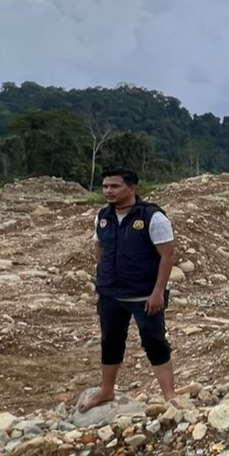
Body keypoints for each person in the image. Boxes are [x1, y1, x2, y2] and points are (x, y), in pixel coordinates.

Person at [79, 167, 178, 411]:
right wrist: (103, 276)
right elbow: (99, 247)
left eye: (115, 186)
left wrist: (158, 292)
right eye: (105, 187)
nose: (108, 191)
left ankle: (170, 396)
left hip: (145, 294)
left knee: (154, 342)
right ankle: (107, 391)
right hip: (110, 294)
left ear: (131, 188)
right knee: (110, 341)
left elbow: (167, 257)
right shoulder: (103, 216)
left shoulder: (152, 217)